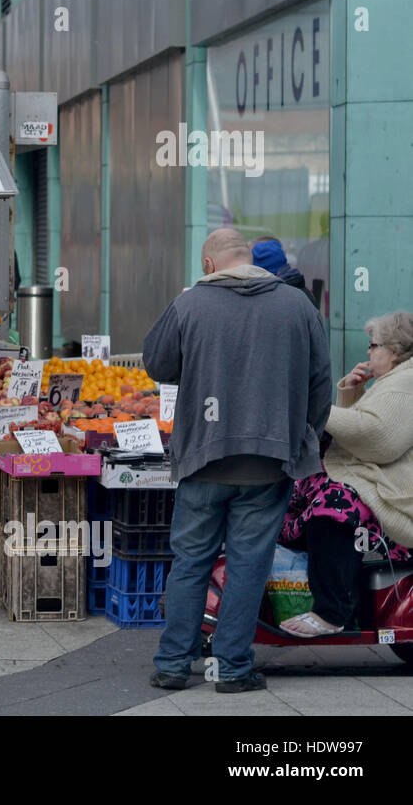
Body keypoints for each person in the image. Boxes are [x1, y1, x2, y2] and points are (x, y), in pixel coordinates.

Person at [142, 228, 332, 693]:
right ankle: (232, 668)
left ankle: (172, 663)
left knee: (190, 561)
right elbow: (321, 383)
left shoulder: (189, 304)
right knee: (249, 564)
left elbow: (157, 365)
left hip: (203, 460)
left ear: (209, 265)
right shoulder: (297, 306)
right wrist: (299, 434)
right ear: (252, 260)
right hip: (270, 461)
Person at [277, 312, 413, 636]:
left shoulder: (404, 384)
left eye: (373, 345)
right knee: (314, 492)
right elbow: (362, 432)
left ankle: (331, 612)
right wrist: (351, 395)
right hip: (375, 478)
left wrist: (319, 409)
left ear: (393, 350)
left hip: (392, 490)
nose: (368, 352)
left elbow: (379, 439)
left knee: (334, 506)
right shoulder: (393, 381)